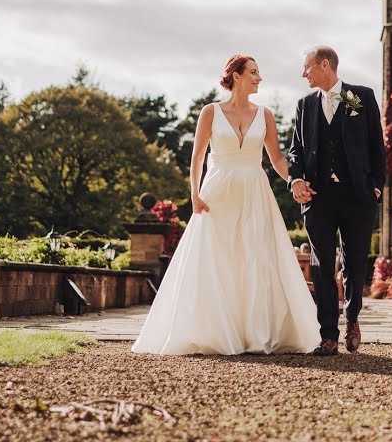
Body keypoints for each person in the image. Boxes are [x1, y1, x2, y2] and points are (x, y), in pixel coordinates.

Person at [132, 55, 318, 355]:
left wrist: (295, 181)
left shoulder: (265, 114)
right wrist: (194, 192)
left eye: (259, 72)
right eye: (254, 72)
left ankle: (256, 333)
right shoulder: (211, 112)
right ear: (236, 75)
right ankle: (217, 331)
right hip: (217, 194)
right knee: (217, 259)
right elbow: (198, 157)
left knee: (256, 259)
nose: (260, 78)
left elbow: (278, 159)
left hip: (255, 191)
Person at [287, 45, 385, 355]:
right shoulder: (305, 106)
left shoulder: (357, 97)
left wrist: (377, 185)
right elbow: (295, 151)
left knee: (355, 263)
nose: (304, 74)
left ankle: (352, 317)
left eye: (308, 67)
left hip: (357, 196)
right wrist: (296, 177)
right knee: (321, 265)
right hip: (319, 198)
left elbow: (375, 144)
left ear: (325, 65)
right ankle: (328, 334)